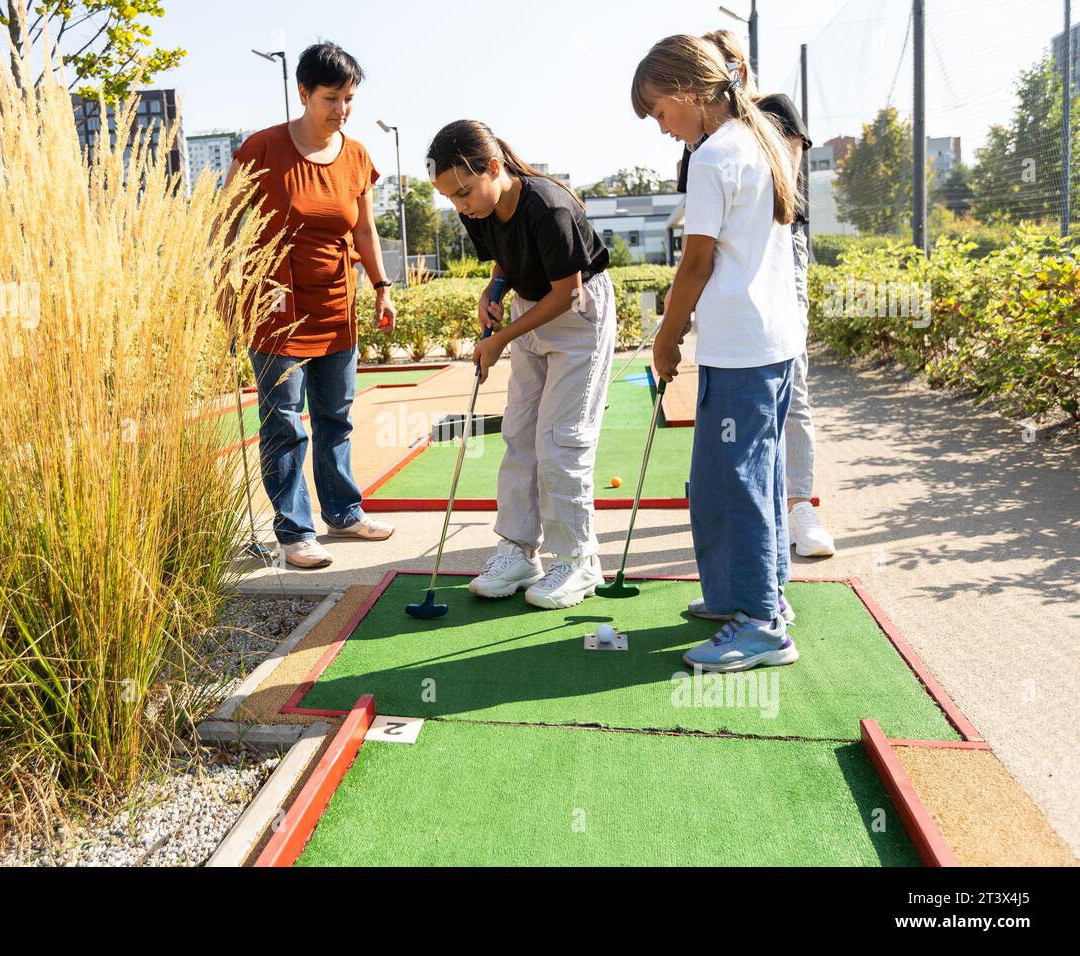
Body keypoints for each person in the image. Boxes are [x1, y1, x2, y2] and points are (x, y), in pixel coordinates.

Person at [633, 34, 804, 671]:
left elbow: (695, 262)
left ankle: (761, 625)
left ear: (686, 90)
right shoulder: (761, 138)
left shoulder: (712, 158)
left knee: (739, 484)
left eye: (659, 112)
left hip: (741, 349)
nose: (661, 128)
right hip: (771, 342)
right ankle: (761, 596)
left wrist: (666, 335)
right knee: (736, 477)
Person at [427, 119, 616, 609]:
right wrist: (493, 293)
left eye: (464, 192)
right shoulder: (478, 208)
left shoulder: (549, 206)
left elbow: (567, 293)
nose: (459, 205)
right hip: (530, 309)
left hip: (576, 315)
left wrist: (501, 339)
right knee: (519, 431)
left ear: (494, 167)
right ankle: (518, 550)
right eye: (450, 197)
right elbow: (505, 260)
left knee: (560, 438)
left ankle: (578, 560)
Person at [223, 42, 395, 569]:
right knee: (284, 424)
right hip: (276, 308)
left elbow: (363, 227)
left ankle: (343, 512)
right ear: (303, 92)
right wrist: (226, 286)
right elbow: (225, 221)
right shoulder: (262, 149)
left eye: (348, 99)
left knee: (335, 416)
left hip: (337, 302)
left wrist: (382, 285)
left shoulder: (357, 154)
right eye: (331, 98)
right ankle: (294, 531)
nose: (341, 109)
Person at [668, 29, 836, 558]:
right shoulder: (704, 146)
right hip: (733, 272)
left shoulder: (768, 118)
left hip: (778, 256)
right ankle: (759, 554)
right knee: (741, 446)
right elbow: (701, 237)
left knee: (790, 385)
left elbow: (782, 195)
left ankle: (798, 505)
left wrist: (669, 330)